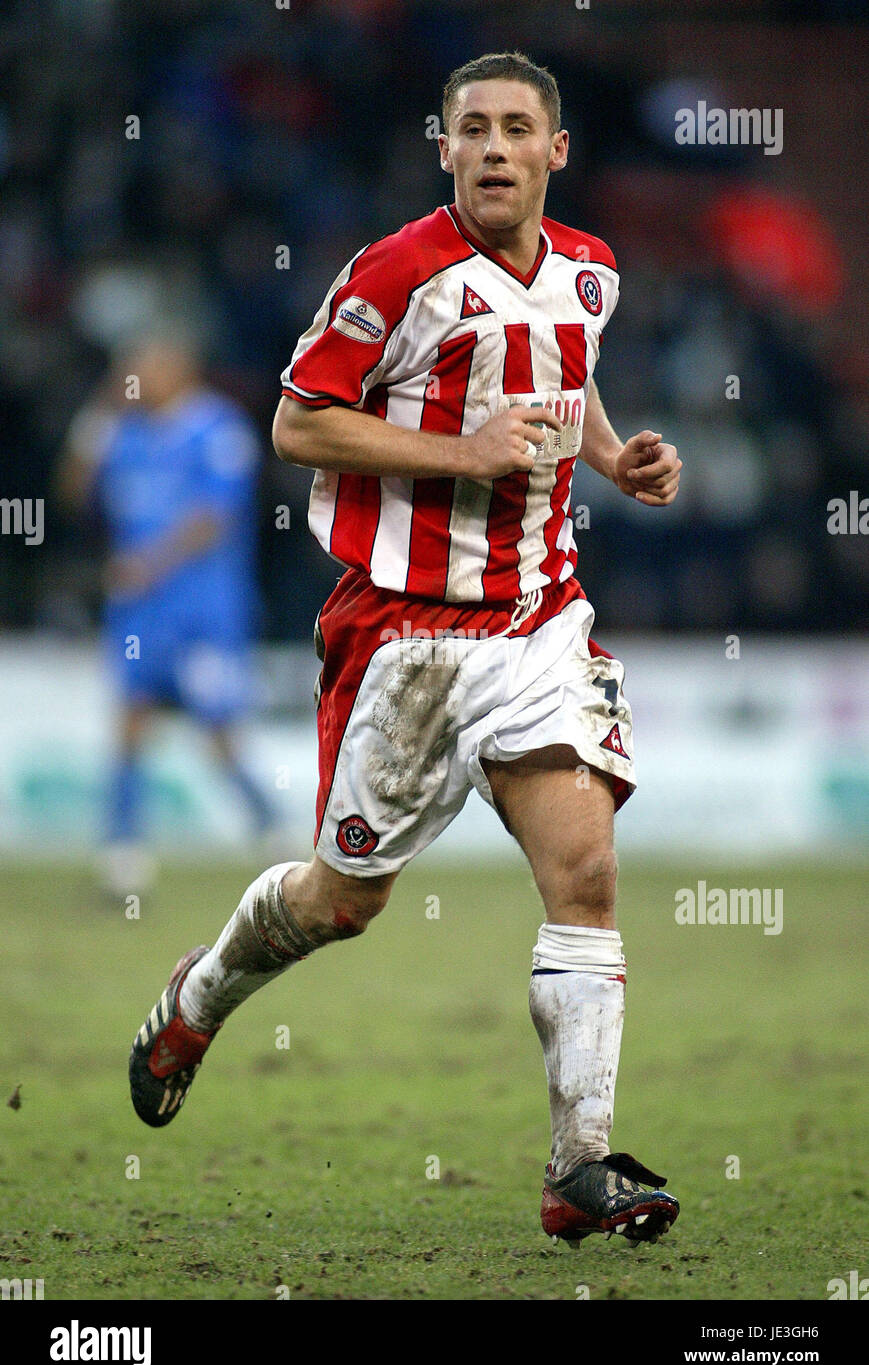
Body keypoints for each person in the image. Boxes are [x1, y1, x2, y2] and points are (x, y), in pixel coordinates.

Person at [129, 53, 683, 1248]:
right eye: (469, 129)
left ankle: (577, 1164)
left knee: (583, 874)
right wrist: (465, 456)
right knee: (340, 902)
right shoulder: (395, 272)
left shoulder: (591, 273)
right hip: (404, 637)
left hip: (540, 618)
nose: (492, 147)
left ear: (555, 151)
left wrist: (608, 456)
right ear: (443, 150)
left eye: (514, 129)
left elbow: (564, 375)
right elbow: (294, 421)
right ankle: (199, 995)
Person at [59, 329, 275, 896]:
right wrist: (100, 410)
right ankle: (123, 861)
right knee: (130, 725)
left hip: (204, 611)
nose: (137, 377)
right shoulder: (122, 432)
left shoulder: (218, 428)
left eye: (147, 365)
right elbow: (72, 493)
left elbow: (217, 518)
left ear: (180, 367)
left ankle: (272, 833)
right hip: (139, 614)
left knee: (218, 733)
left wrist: (148, 564)